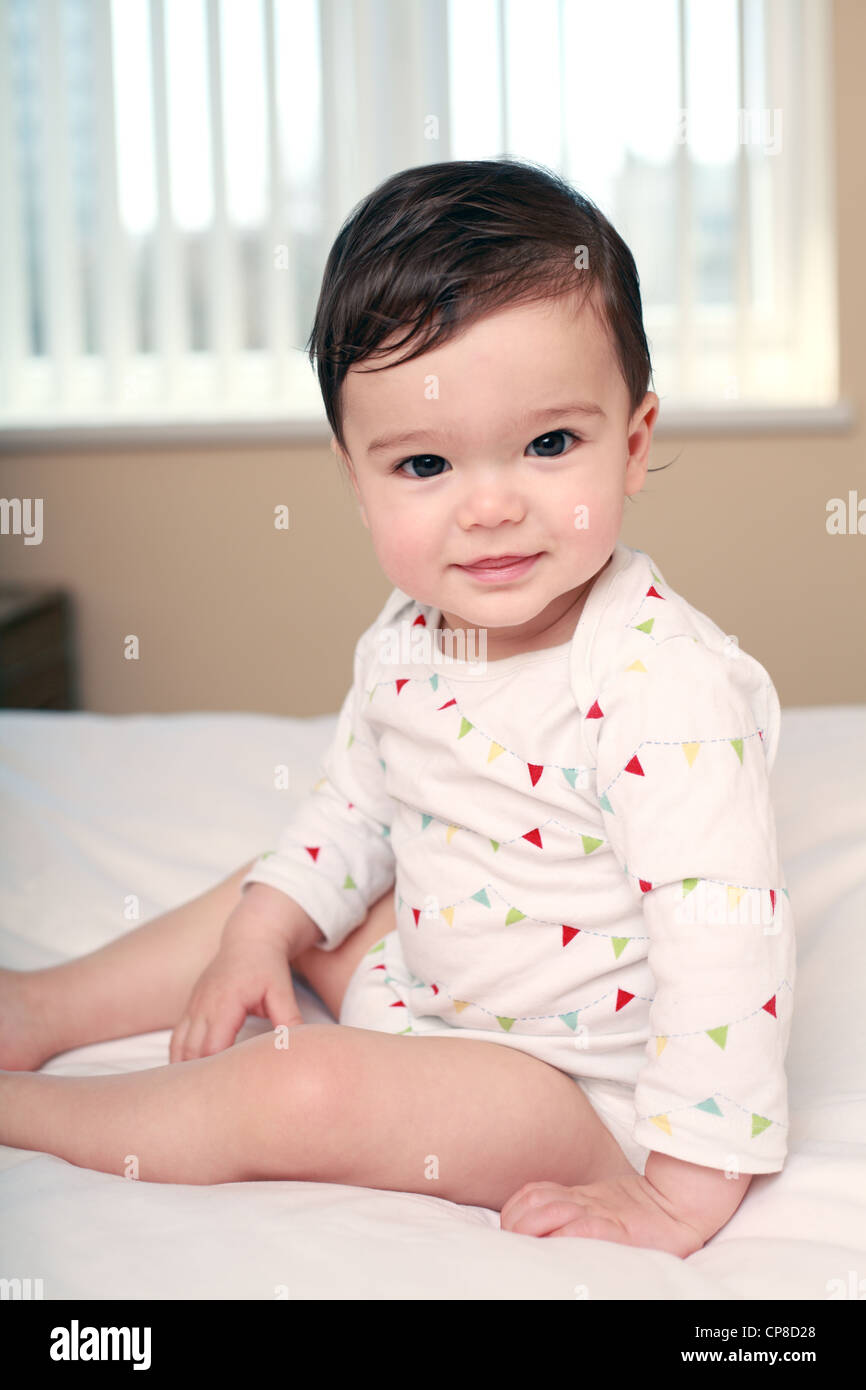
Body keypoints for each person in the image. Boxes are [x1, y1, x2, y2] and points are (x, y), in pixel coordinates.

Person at [0, 159, 794, 1256]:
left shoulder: (660, 681)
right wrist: (259, 934)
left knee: (305, 1087)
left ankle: (25, 1113)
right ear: (355, 477)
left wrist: (681, 1189)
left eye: (549, 443)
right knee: (283, 891)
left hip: (574, 1088)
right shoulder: (407, 639)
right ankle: (42, 1009)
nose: (490, 504)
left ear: (634, 441)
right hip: (432, 990)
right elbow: (357, 802)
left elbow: (722, 941)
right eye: (424, 462)